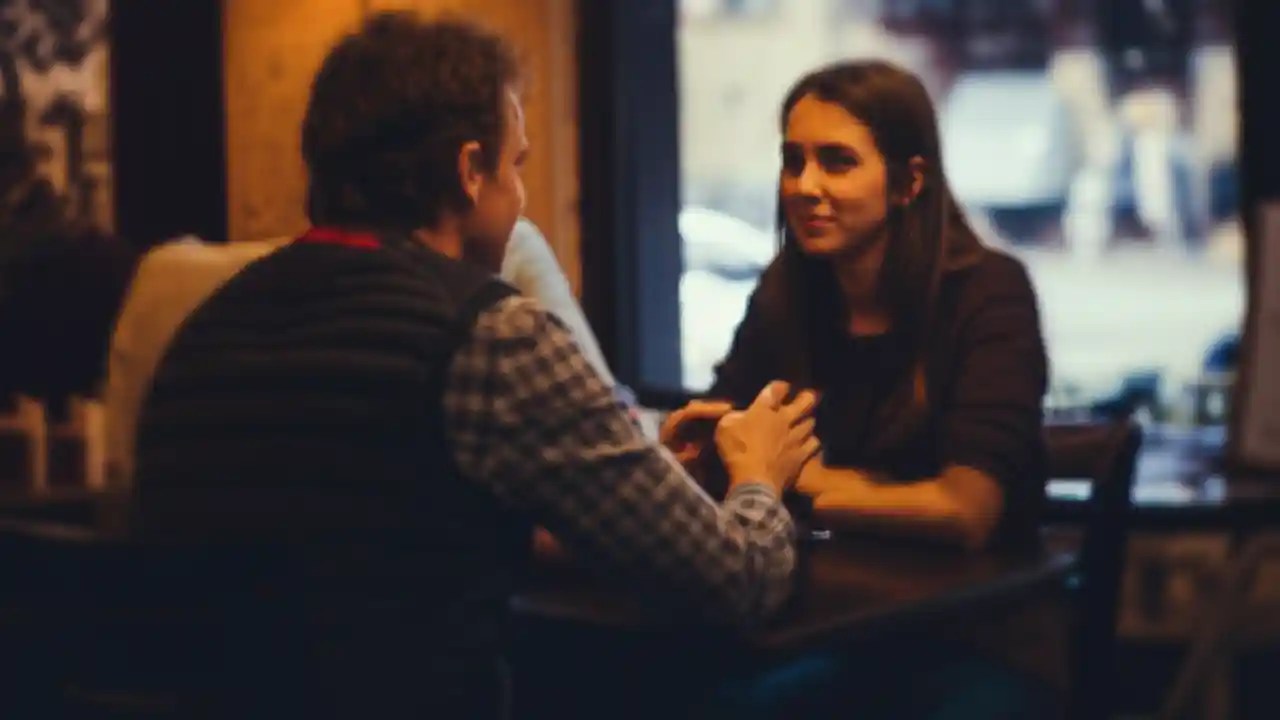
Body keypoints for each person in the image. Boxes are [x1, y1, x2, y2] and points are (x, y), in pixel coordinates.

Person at [104, 13, 817, 717]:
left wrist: (628, 481)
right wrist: (760, 474)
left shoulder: (207, 322)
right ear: (470, 171)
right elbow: (735, 583)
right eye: (516, 166)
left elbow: (363, 536)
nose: (521, 198)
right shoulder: (492, 335)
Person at [662, 60, 1056, 718]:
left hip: (975, 638)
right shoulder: (788, 291)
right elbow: (733, 436)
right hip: (828, 621)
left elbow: (966, 511)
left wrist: (792, 478)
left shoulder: (989, 294)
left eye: (836, 162)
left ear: (908, 182)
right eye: (794, 160)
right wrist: (693, 456)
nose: (804, 185)